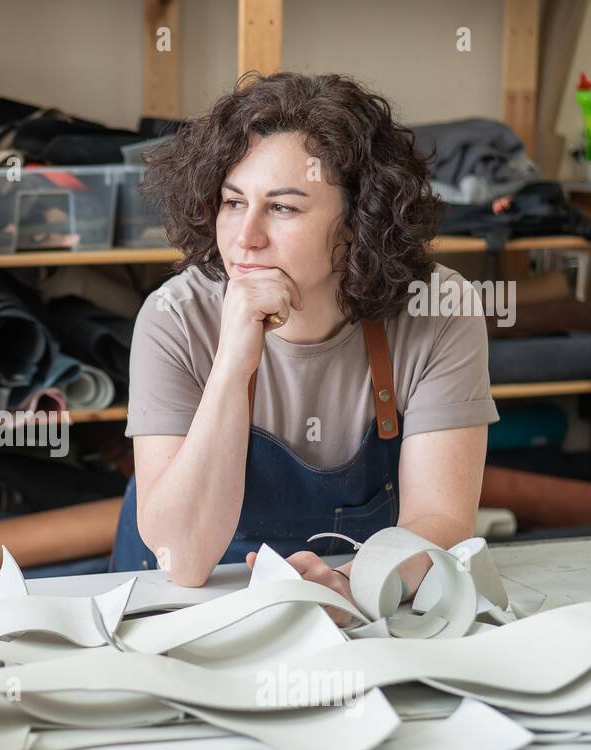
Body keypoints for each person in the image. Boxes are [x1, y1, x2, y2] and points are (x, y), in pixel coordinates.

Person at [113, 71, 499, 615]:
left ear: (360, 220)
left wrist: (348, 582)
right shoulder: (173, 316)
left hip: (354, 602)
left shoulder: (438, 308)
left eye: (284, 207)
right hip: (182, 607)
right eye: (232, 202)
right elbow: (185, 558)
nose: (245, 237)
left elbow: (441, 520)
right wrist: (231, 366)